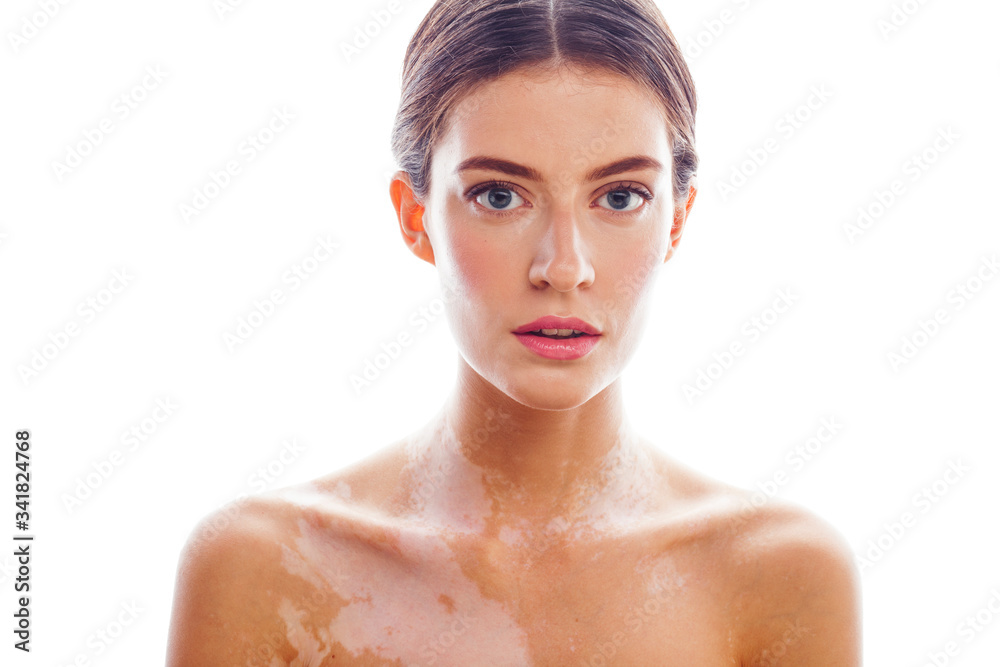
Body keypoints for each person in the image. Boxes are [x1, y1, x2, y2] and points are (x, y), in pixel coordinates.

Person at [166, 1, 861, 664]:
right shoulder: (267, 570)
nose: (564, 267)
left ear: (676, 220)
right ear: (415, 217)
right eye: (499, 196)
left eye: (620, 197)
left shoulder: (779, 575)